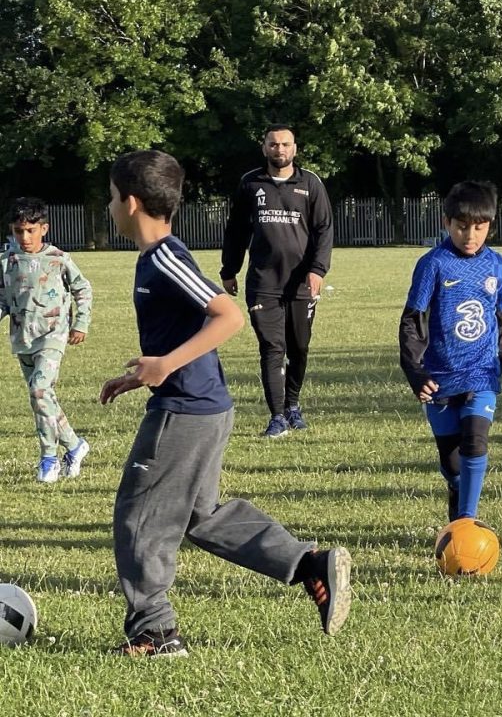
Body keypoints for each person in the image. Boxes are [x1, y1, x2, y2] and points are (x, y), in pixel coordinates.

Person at [104, 150, 350, 657]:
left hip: (186, 410)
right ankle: (308, 564)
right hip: (199, 405)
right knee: (202, 516)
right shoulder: (156, 259)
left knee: (139, 515)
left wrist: (166, 365)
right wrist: (146, 373)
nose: (108, 207)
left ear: (130, 203)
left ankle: (155, 634)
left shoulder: (166, 256)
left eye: (110, 198)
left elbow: (228, 316)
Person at [400, 181, 502, 523]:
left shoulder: (498, 266)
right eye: (461, 226)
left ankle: (466, 522)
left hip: (482, 371)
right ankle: (458, 489)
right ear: (446, 223)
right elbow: (413, 320)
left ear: (490, 226)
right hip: (440, 377)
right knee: (452, 461)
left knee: (475, 443)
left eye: (478, 227)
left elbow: (501, 320)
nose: (469, 235)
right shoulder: (433, 264)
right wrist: (415, 371)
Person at [221, 124, 333, 438]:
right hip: (263, 282)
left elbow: (324, 230)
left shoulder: (310, 184)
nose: (279, 150)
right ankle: (278, 417)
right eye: (273, 144)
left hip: (301, 283)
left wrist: (318, 270)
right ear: (264, 147)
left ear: (294, 148)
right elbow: (237, 230)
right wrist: (230, 269)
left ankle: (293, 405)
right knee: (272, 348)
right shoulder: (250, 183)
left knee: (299, 348)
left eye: (285, 144)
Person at [0, 197, 92, 483]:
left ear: (44, 229)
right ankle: (75, 446)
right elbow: (3, 299)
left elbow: (83, 289)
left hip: (52, 335)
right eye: (18, 231)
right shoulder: (6, 261)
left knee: (40, 390)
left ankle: (48, 458)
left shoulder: (58, 258)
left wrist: (81, 323)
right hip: (22, 338)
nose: (24, 237)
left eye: (30, 230)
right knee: (43, 398)